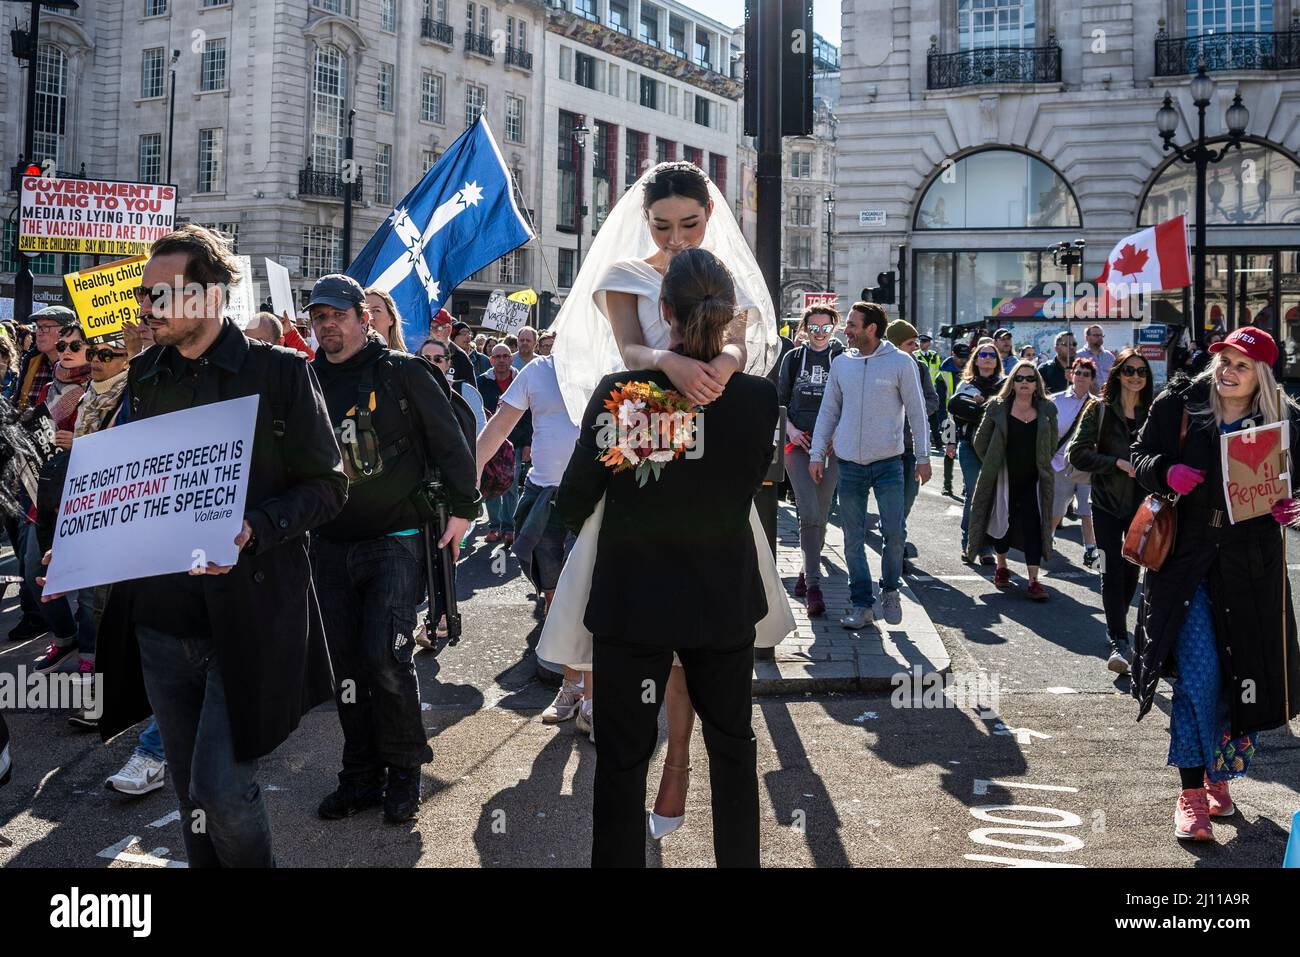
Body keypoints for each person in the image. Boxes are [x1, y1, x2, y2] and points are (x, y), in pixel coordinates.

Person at [74, 224, 347, 868]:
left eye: (162, 294)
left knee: (221, 791)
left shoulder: (279, 373)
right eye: (145, 294)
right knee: (188, 792)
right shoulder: (144, 375)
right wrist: (86, 537)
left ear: (212, 296)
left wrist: (254, 527)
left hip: (246, 618)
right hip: (162, 621)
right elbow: (131, 480)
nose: (146, 308)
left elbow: (328, 486)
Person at [545, 160, 788, 844]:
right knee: (726, 731)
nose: (677, 237)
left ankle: (674, 766)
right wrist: (670, 363)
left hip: (660, 492)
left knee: (646, 725)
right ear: (642, 220)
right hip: (663, 437)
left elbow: (737, 339)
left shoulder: (722, 287)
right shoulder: (626, 277)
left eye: (690, 224)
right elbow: (627, 346)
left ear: (710, 215)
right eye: (663, 225)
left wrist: (723, 365)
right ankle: (677, 771)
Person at [306, 274, 478, 824]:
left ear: (364, 316)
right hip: (330, 544)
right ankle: (360, 776)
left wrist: (463, 509)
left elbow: (450, 440)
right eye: (319, 318)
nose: (328, 326)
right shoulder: (306, 379)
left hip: (397, 541)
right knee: (349, 669)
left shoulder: (403, 372)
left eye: (338, 315)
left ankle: (404, 771)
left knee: (385, 657)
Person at [1130, 325, 1300, 842]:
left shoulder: (1285, 422)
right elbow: (1140, 459)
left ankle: (1218, 775)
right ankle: (1191, 795)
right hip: (1187, 565)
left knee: (1238, 680)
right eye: (1224, 360)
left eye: (1242, 365)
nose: (1228, 371)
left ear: (1262, 376)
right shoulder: (1178, 404)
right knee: (1198, 679)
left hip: (1251, 571)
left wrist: (1293, 508)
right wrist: (1166, 472)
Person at [809, 302, 931, 628]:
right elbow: (828, 411)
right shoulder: (841, 364)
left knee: (894, 533)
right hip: (849, 464)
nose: (846, 330)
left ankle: (890, 589)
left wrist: (923, 457)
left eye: (851, 324)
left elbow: (917, 413)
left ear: (871, 328)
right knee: (852, 538)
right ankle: (861, 604)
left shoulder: (901, 363)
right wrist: (816, 453)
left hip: (890, 462)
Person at [475, 349, 581, 719]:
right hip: (543, 498)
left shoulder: (613, 364)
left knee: (593, 597)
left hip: (595, 498)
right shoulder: (537, 370)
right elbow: (501, 425)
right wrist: (472, 472)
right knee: (555, 595)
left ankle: (591, 693)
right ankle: (571, 686)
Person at [1067, 347, 1152, 674]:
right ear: (1118, 374)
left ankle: (1118, 626)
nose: (1135, 377)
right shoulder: (1099, 409)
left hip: (1142, 505)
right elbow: (1077, 454)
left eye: (1141, 371)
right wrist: (1114, 463)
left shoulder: (1153, 412)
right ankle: (1118, 638)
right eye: (1129, 371)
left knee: (1131, 571)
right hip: (1104, 504)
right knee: (1109, 568)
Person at [966, 359, 1058, 600]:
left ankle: (1034, 581)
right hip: (1004, 478)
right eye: (1020, 378)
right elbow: (979, 441)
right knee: (1001, 524)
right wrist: (994, 462)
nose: (1025, 382)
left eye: (1030, 378)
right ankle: (1002, 566)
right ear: (1012, 382)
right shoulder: (997, 407)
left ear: (1037, 384)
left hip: (1034, 480)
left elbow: (1053, 442)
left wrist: (1042, 460)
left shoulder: (1047, 410)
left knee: (1033, 527)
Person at [777, 305, 845, 616]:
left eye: (825, 328)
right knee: (808, 511)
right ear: (805, 328)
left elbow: (850, 403)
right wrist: (789, 431)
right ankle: (815, 587)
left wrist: (835, 436)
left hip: (830, 447)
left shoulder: (843, 359)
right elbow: (779, 401)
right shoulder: (793, 358)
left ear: (834, 328)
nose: (820, 334)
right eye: (814, 328)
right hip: (799, 444)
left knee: (822, 509)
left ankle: (805, 571)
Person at [885, 319, 941, 572]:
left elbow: (932, 400)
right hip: (885, 447)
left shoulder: (919, 367)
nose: (915, 348)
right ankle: (895, 550)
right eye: (910, 344)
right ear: (896, 344)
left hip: (909, 447)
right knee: (892, 503)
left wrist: (913, 410)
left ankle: (895, 537)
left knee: (907, 500)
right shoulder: (880, 364)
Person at [948, 339, 1003, 563]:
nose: (988, 358)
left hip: (996, 447)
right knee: (974, 494)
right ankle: (969, 543)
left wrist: (985, 405)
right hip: (969, 446)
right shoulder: (966, 386)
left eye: (992, 355)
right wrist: (950, 443)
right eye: (983, 355)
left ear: (998, 361)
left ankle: (986, 546)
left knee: (991, 495)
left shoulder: (1005, 385)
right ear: (976, 360)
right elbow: (953, 414)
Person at [1048, 357, 1099, 568]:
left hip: (1086, 465)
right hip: (1060, 464)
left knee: (1087, 509)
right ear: (1071, 375)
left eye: (1086, 374)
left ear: (1092, 379)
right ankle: (1048, 536)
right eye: (1077, 373)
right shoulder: (1055, 401)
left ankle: (1090, 551)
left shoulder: (1097, 405)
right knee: (1057, 508)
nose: (1080, 377)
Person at [478, 343, 531, 545]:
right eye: (497, 356)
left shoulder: (521, 380)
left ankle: (509, 528)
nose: (501, 360)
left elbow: (529, 414)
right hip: (490, 441)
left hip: (515, 441)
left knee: (510, 484)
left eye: (505, 356)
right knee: (490, 483)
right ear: (491, 360)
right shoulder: (481, 382)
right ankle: (494, 526)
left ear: (511, 358)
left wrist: (528, 443)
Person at [16, 305, 78, 413]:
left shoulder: (82, 365)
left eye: (45, 327)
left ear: (67, 331)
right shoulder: (31, 360)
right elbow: (18, 403)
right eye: (37, 327)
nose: (38, 333)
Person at [935, 341, 969, 497]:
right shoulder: (942, 374)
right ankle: (947, 485)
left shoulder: (970, 372)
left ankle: (966, 485)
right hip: (950, 418)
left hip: (968, 419)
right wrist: (942, 421)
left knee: (967, 451)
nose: (963, 361)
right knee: (949, 453)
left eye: (966, 357)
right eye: (960, 357)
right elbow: (940, 402)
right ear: (953, 355)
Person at [363, 287, 409, 353]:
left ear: (391, 319)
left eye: (376, 310)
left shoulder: (404, 362)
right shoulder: (348, 360)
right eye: (365, 310)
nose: (369, 317)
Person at [1078, 324, 1116, 389]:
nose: (1100, 337)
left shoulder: (1109, 356)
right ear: (1087, 338)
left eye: (1101, 335)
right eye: (1096, 335)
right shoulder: (1079, 356)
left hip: (1108, 395)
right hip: (1088, 396)